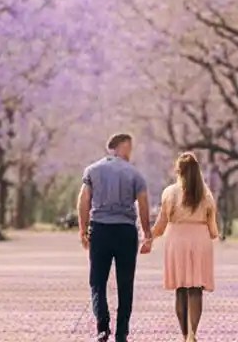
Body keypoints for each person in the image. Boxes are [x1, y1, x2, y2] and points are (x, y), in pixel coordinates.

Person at [78, 133, 152, 342]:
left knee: (97, 281)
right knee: (125, 284)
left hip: (100, 230)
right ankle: (121, 333)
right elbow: (143, 204)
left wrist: (83, 230)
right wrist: (147, 233)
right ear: (123, 147)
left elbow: (83, 201)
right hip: (126, 231)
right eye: (130, 147)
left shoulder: (92, 170)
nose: (131, 152)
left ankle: (102, 328)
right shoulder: (135, 174)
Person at [148, 152, 219, 342]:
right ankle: (193, 333)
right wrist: (211, 233)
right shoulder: (206, 194)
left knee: (181, 289)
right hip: (200, 240)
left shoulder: (170, 192)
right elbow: (213, 228)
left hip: (177, 240)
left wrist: (149, 237)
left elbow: (161, 224)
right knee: (196, 289)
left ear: (178, 171)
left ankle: (184, 335)